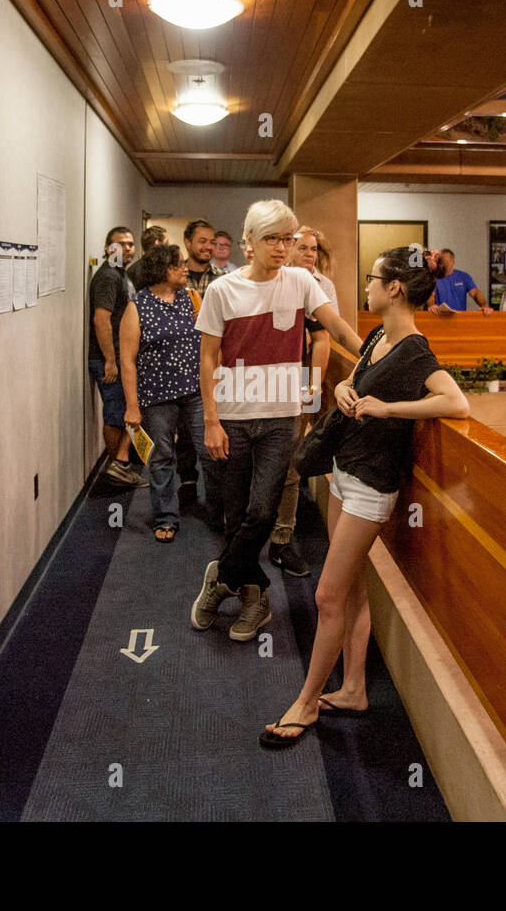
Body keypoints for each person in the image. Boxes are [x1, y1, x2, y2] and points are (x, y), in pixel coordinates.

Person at [259, 246, 470, 748]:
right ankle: (353, 688)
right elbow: (351, 383)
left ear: (395, 288)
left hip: (373, 484)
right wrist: (343, 394)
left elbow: (456, 402)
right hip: (346, 468)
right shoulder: (377, 334)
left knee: (328, 594)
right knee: (350, 588)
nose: (367, 285)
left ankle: (307, 702)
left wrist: (389, 408)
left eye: (373, 278)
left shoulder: (416, 350)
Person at [189, 200, 365, 643]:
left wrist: (378, 355)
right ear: (248, 242)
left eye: (287, 239)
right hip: (232, 416)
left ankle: (221, 577)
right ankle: (255, 596)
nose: (283, 248)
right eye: (272, 239)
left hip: (280, 418)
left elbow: (337, 327)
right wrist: (210, 420)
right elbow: (207, 357)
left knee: (264, 511)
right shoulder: (222, 291)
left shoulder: (302, 281)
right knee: (235, 515)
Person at [119, 244, 211, 542]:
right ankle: (166, 516)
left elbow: (208, 343)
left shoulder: (192, 298)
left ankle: (218, 507)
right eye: (178, 265)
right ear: (161, 270)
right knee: (161, 456)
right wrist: (132, 406)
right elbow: (127, 361)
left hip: (194, 390)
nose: (185, 269)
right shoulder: (138, 306)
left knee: (208, 448)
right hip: (156, 396)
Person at [270, 226, 339, 578]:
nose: (310, 254)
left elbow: (324, 339)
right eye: (303, 247)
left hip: (295, 380)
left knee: (290, 467)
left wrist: (311, 390)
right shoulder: (265, 282)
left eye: (314, 248)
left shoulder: (316, 289)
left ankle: (281, 540)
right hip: (255, 382)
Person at [88, 226, 146, 487]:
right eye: (120, 244)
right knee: (115, 415)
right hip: (108, 359)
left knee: (125, 412)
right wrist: (110, 359)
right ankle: (116, 471)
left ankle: (121, 466)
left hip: (121, 357)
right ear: (107, 248)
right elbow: (101, 320)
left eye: (131, 244)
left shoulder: (122, 274)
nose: (127, 249)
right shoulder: (109, 277)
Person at [427, 249, 492, 315]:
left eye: (446, 261)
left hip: (460, 318)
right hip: (439, 317)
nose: (444, 264)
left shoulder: (464, 276)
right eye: (442, 262)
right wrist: (431, 306)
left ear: (452, 261)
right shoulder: (435, 277)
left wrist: (484, 305)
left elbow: (475, 293)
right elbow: (431, 295)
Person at [126, 225, 168, 291]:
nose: (168, 248)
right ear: (157, 243)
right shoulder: (163, 270)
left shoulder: (131, 270)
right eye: (166, 243)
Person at [183, 219, 219, 293]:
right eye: (202, 241)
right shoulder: (175, 277)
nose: (209, 247)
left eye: (212, 242)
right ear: (188, 243)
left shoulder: (223, 277)